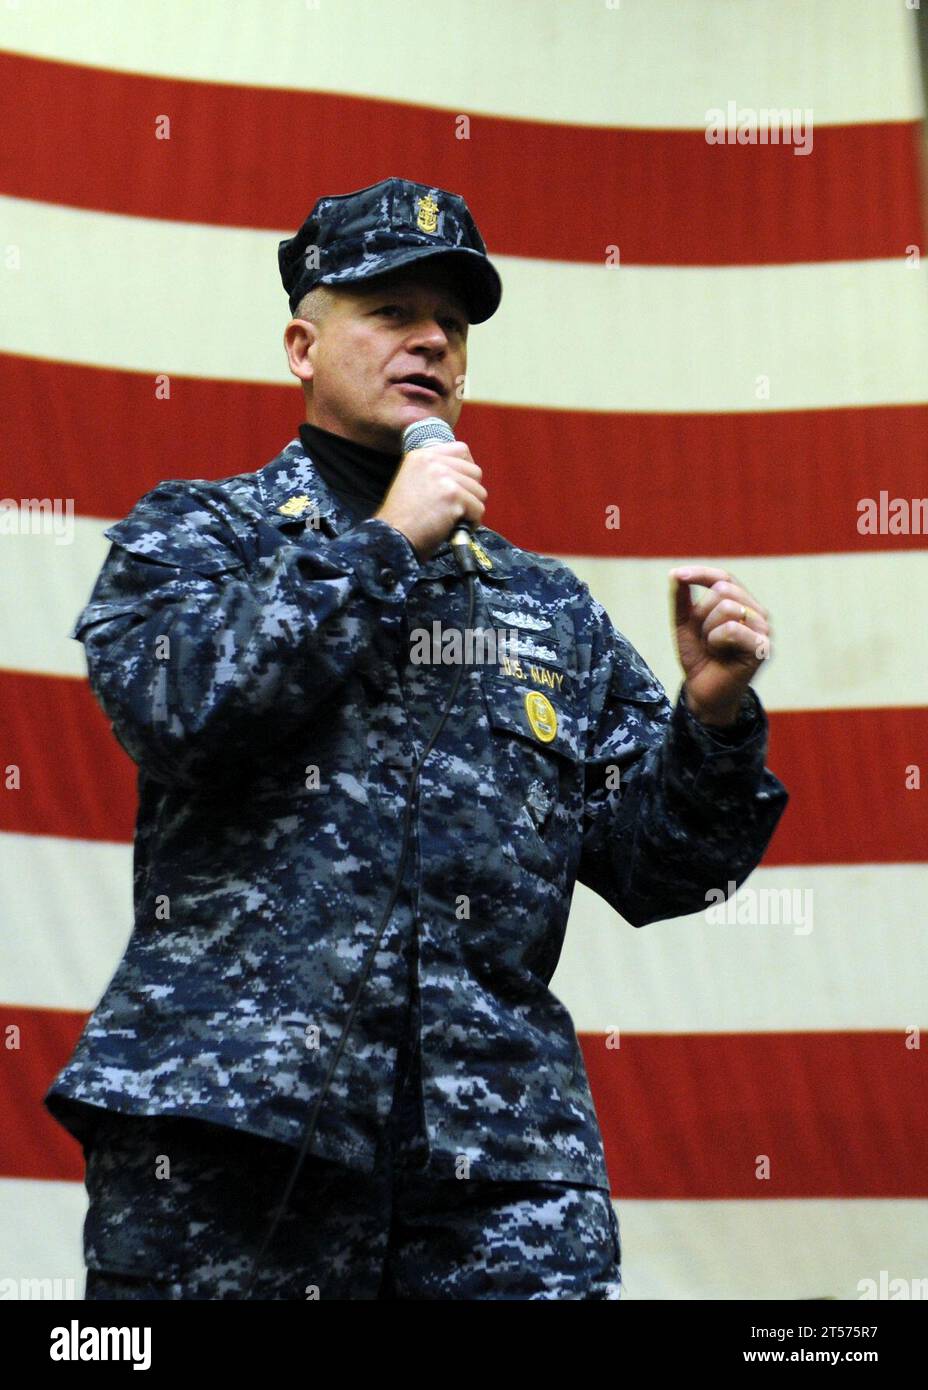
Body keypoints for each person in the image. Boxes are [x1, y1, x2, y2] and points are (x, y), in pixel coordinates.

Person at [44, 176, 788, 1300]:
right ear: (303, 344)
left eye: (452, 319)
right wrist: (383, 544)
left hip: (496, 1168)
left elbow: (659, 869)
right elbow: (180, 711)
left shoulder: (548, 610)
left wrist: (714, 716)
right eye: (390, 310)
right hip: (235, 1139)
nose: (430, 338)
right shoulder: (196, 535)